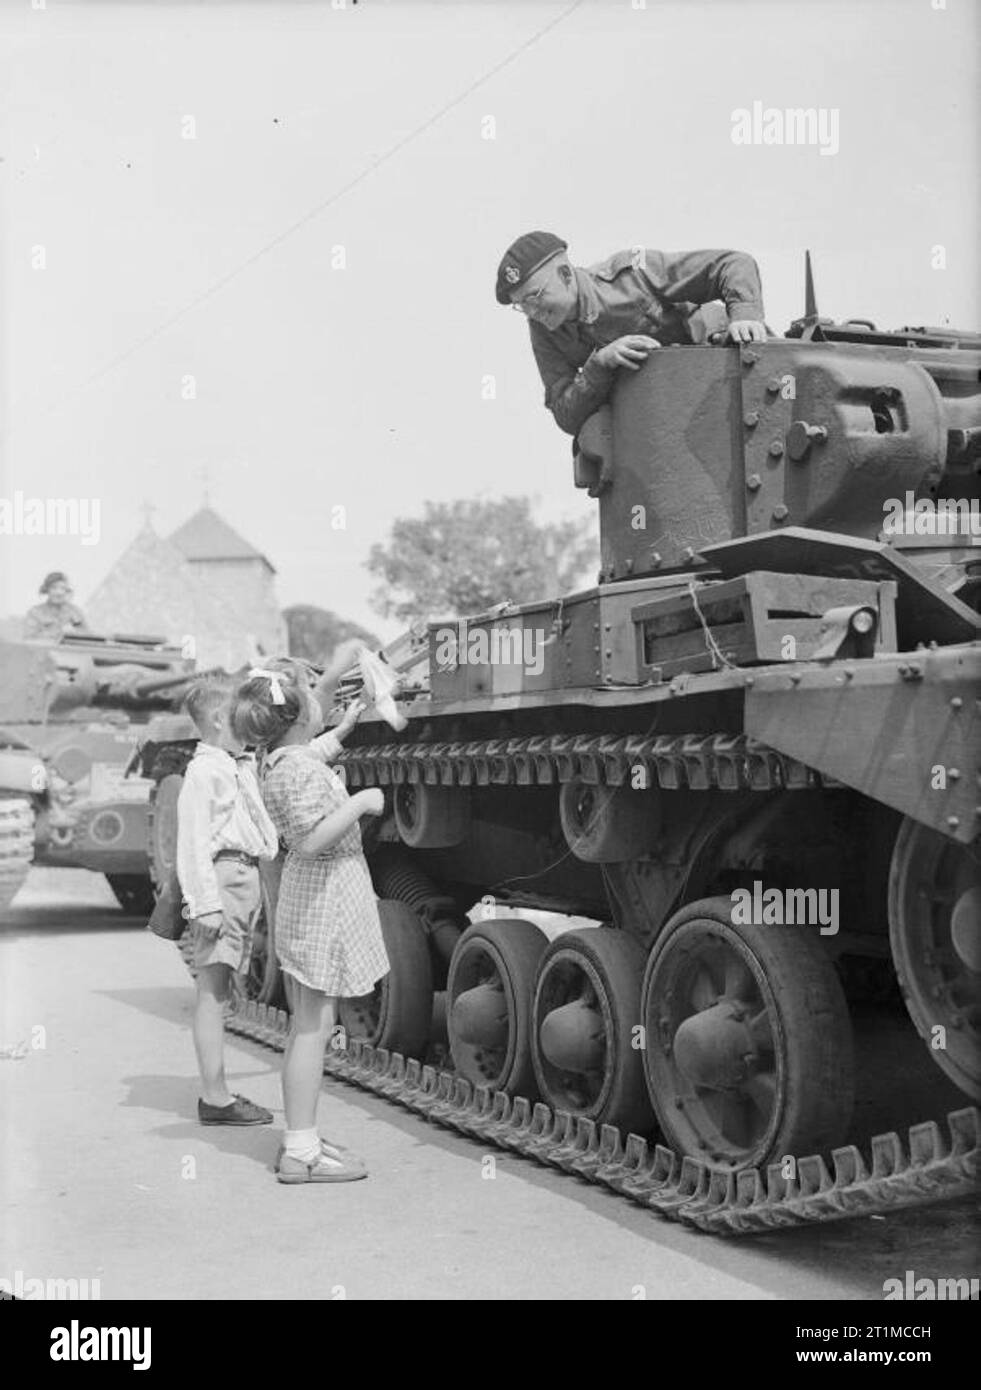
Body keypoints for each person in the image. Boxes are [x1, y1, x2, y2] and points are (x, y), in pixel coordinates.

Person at [230, 663, 388, 1183]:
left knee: (307, 1023)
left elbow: (306, 756)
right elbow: (313, 839)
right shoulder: (295, 769)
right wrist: (363, 802)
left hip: (309, 895)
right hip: (327, 896)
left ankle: (303, 1137)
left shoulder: (276, 759)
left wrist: (341, 733)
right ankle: (300, 1150)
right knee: (314, 1029)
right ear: (298, 719)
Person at [495, 231, 767, 436]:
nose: (532, 311)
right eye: (522, 305)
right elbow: (565, 415)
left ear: (566, 274)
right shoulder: (544, 329)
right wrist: (599, 365)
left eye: (535, 296)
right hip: (669, 419)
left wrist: (744, 315)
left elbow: (733, 264)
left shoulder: (632, 273)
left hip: (730, 375)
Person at [176, 676, 280, 1126]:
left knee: (221, 990)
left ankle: (217, 1094)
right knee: (213, 993)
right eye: (240, 712)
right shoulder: (204, 771)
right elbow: (194, 843)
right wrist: (206, 905)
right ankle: (216, 1099)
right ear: (220, 719)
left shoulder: (234, 763)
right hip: (223, 881)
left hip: (242, 878)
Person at [23, 571, 89, 641]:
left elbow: (88, 637)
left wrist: (76, 626)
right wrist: (59, 631)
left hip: (68, 650)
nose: (59, 592)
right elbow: (29, 639)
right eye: (54, 588)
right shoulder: (35, 612)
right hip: (44, 650)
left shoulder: (75, 611)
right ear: (47, 589)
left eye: (63, 588)